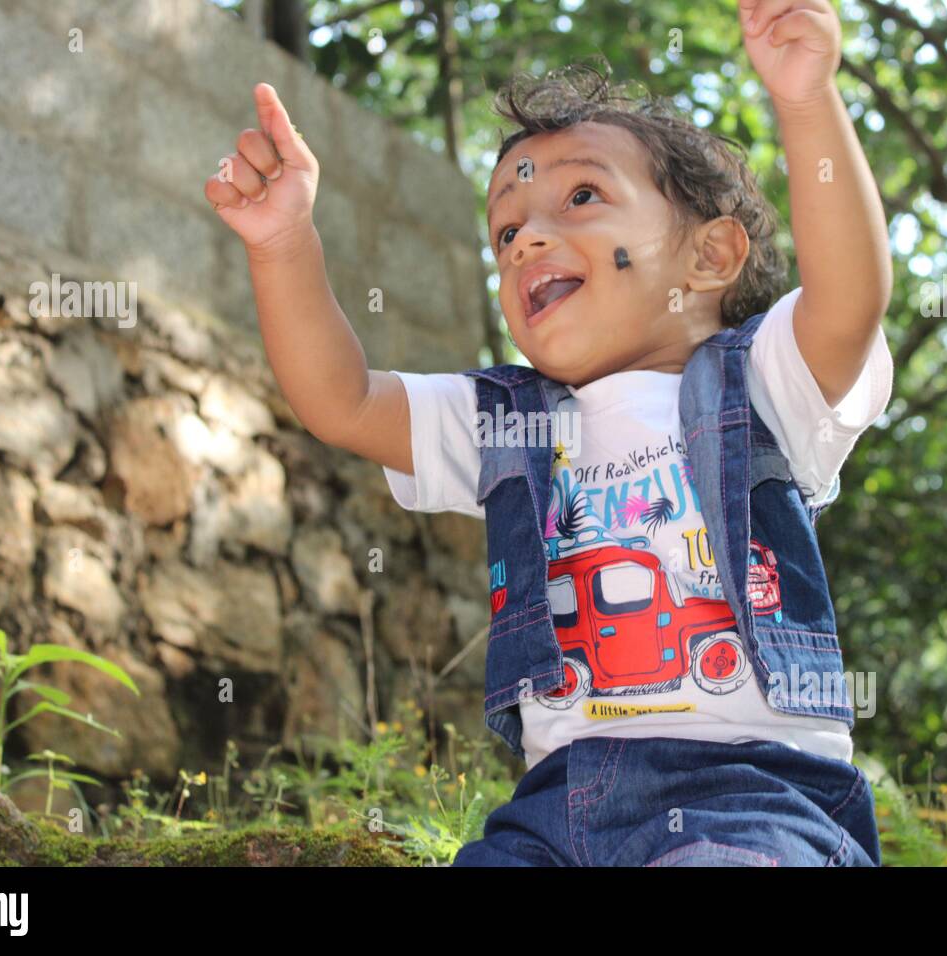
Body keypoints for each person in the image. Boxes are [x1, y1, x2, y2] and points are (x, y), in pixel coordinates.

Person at [206, 0, 893, 866]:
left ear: (709, 258)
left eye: (581, 196)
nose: (529, 236)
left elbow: (850, 300)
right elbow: (341, 401)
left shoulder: (762, 383)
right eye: (505, 231)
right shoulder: (507, 419)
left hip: (753, 796)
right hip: (555, 808)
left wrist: (805, 99)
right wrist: (282, 244)